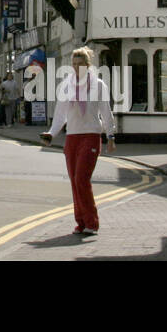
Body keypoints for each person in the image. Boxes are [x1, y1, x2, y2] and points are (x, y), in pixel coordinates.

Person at [41, 47, 117, 235]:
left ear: (87, 65)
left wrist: (111, 135)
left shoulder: (98, 85)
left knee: (81, 179)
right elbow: (60, 114)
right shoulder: (67, 85)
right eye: (73, 64)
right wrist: (51, 133)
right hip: (72, 136)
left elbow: (106, 111)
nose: (76, 68)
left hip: (91, 135)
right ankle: (81, 222)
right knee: (74, 181)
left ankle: (92, 222)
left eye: (80, 64)